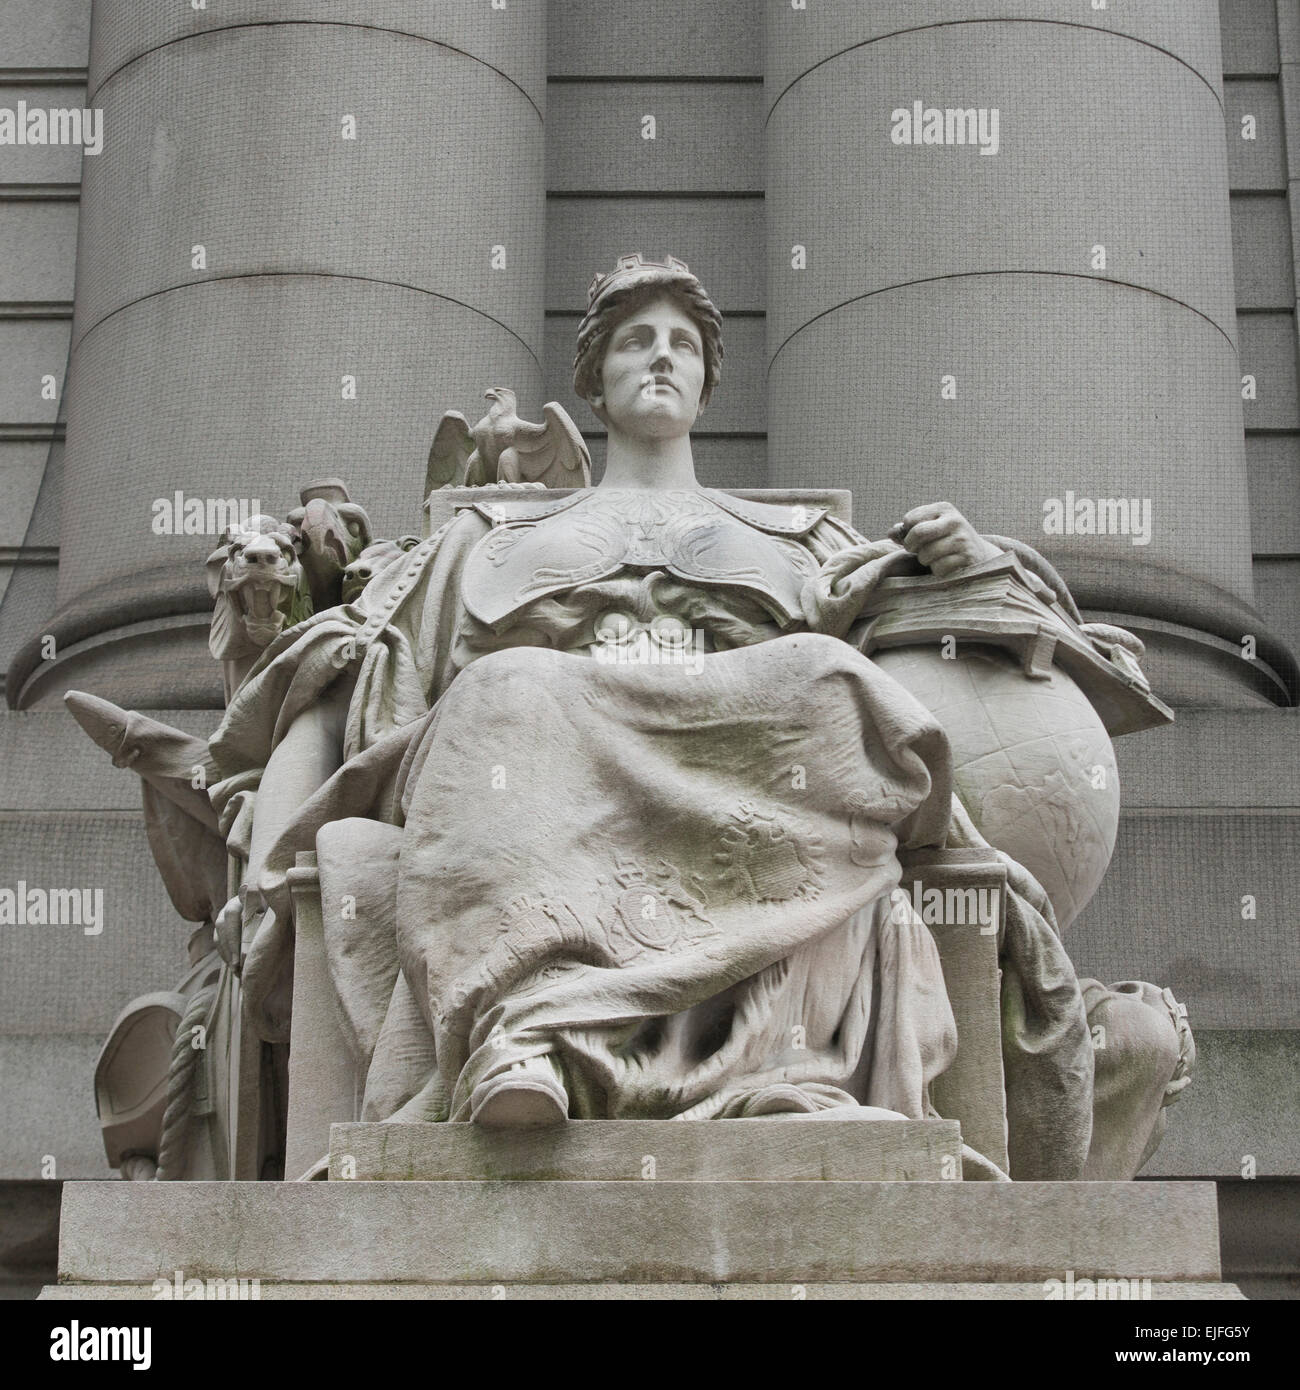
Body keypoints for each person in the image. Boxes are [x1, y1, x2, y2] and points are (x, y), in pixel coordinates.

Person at [205, 256, 1135, 1175]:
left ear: (704, 381)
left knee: (826, 675)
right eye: (636, 341)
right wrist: (273, 832)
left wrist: (968, 563)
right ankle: (524, 1037)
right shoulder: (483, 543)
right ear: (594, 381)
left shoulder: (801, 544)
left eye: (682, 345)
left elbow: (1006, 644)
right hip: (549, 769)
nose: (661, 359)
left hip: (742, 766)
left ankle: (657, 1042)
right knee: (507, 688)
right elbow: (343, 676)